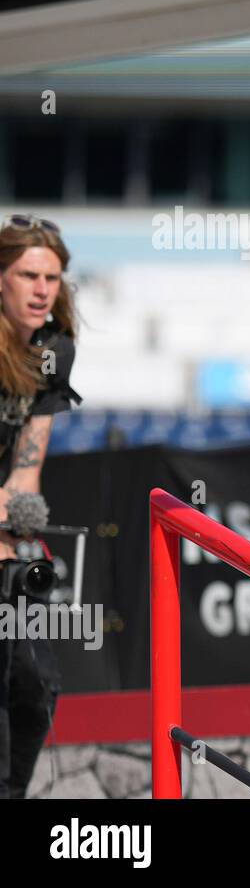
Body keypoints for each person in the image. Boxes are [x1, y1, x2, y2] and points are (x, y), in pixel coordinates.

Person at [0, 213, 81, 797]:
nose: (41, 290)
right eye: (28, 274)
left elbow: (26, 471)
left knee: (33, 686)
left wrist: (14, 527)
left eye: (52, 277)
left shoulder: (54, 350)